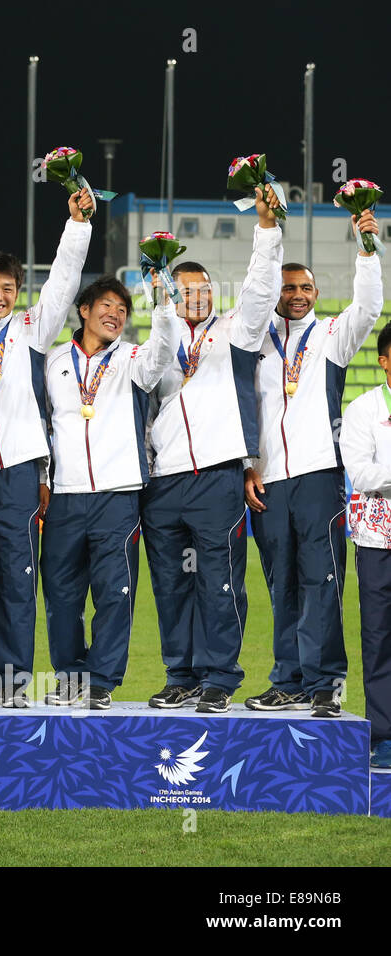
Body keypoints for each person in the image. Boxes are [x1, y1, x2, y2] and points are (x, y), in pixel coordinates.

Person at [142, 187, 282, 714]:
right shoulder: (158, 338)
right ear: (171, 296)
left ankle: (220, 678)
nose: (196, 298)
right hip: (164, 483)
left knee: (218, 583)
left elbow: (261, 287)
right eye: (184, 291)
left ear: (213, 294)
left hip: (217, 479)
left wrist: (266, 227)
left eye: (203, 290)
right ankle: (181, 675)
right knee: (173, 585)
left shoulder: (235, 333)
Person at [243, 208, 383, 717]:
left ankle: (326, 683)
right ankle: (288, 680)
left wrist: (367, 247)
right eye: (287, 288)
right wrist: (248, 465)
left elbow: (369, 307)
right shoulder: (254, 341)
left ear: (316, 294)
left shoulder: (332, 337)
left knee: (321, 578)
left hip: (321, 475)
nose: (296, 294)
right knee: (282, 582)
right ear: (275, 294)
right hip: (269, 480)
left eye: (305, 287)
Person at [0, 190, 93, 708]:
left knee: (16, 582)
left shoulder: (32, 330)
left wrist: (76, 224)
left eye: (8, 288)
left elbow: (62, 281)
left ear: (18, 291)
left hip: (16, 471)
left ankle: (11, 683)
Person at [41, 277, 175, 709]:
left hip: (118, 497)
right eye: (106, 305)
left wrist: (161, 300)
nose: (115, 313)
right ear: (84, 310)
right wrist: (44, 477)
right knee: (61, 596)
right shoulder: (52, 361)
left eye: (122, 308)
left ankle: (100, 681)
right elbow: (41, 424)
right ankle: (68, 676)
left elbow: (163, 350)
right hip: (63, 496)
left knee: (114, 594)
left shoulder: (135, 359)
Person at [339, 321, 391, 768]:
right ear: (384, 361)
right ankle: (383, 734)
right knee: (378, 637)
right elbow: (362, 473)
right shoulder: (362, 409)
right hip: (378, 535)